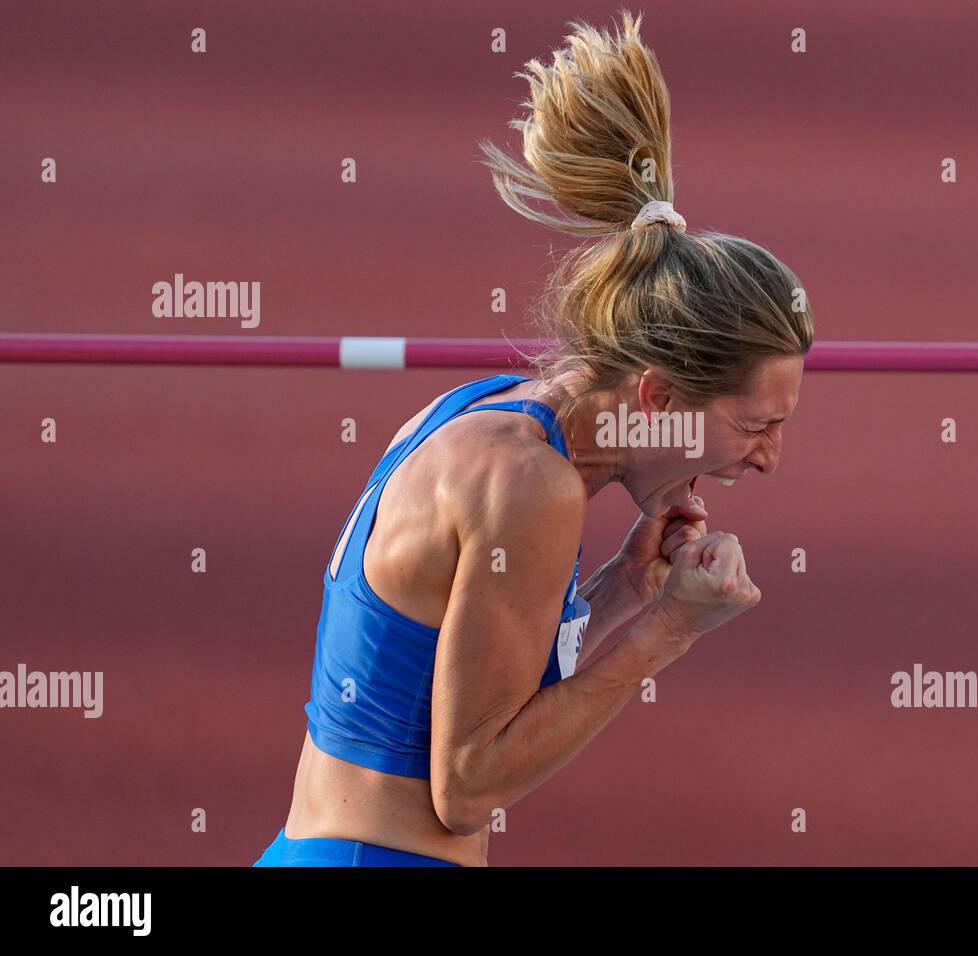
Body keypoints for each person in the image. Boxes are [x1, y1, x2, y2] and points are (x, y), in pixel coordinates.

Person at [254, 9, 813, 867]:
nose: (768, 458)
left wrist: (624, 588)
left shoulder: (486, 418)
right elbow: (469, 784)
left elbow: (470, 673)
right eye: (756, 425)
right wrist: (666, 631)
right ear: (657, 393)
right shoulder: (533, 488)